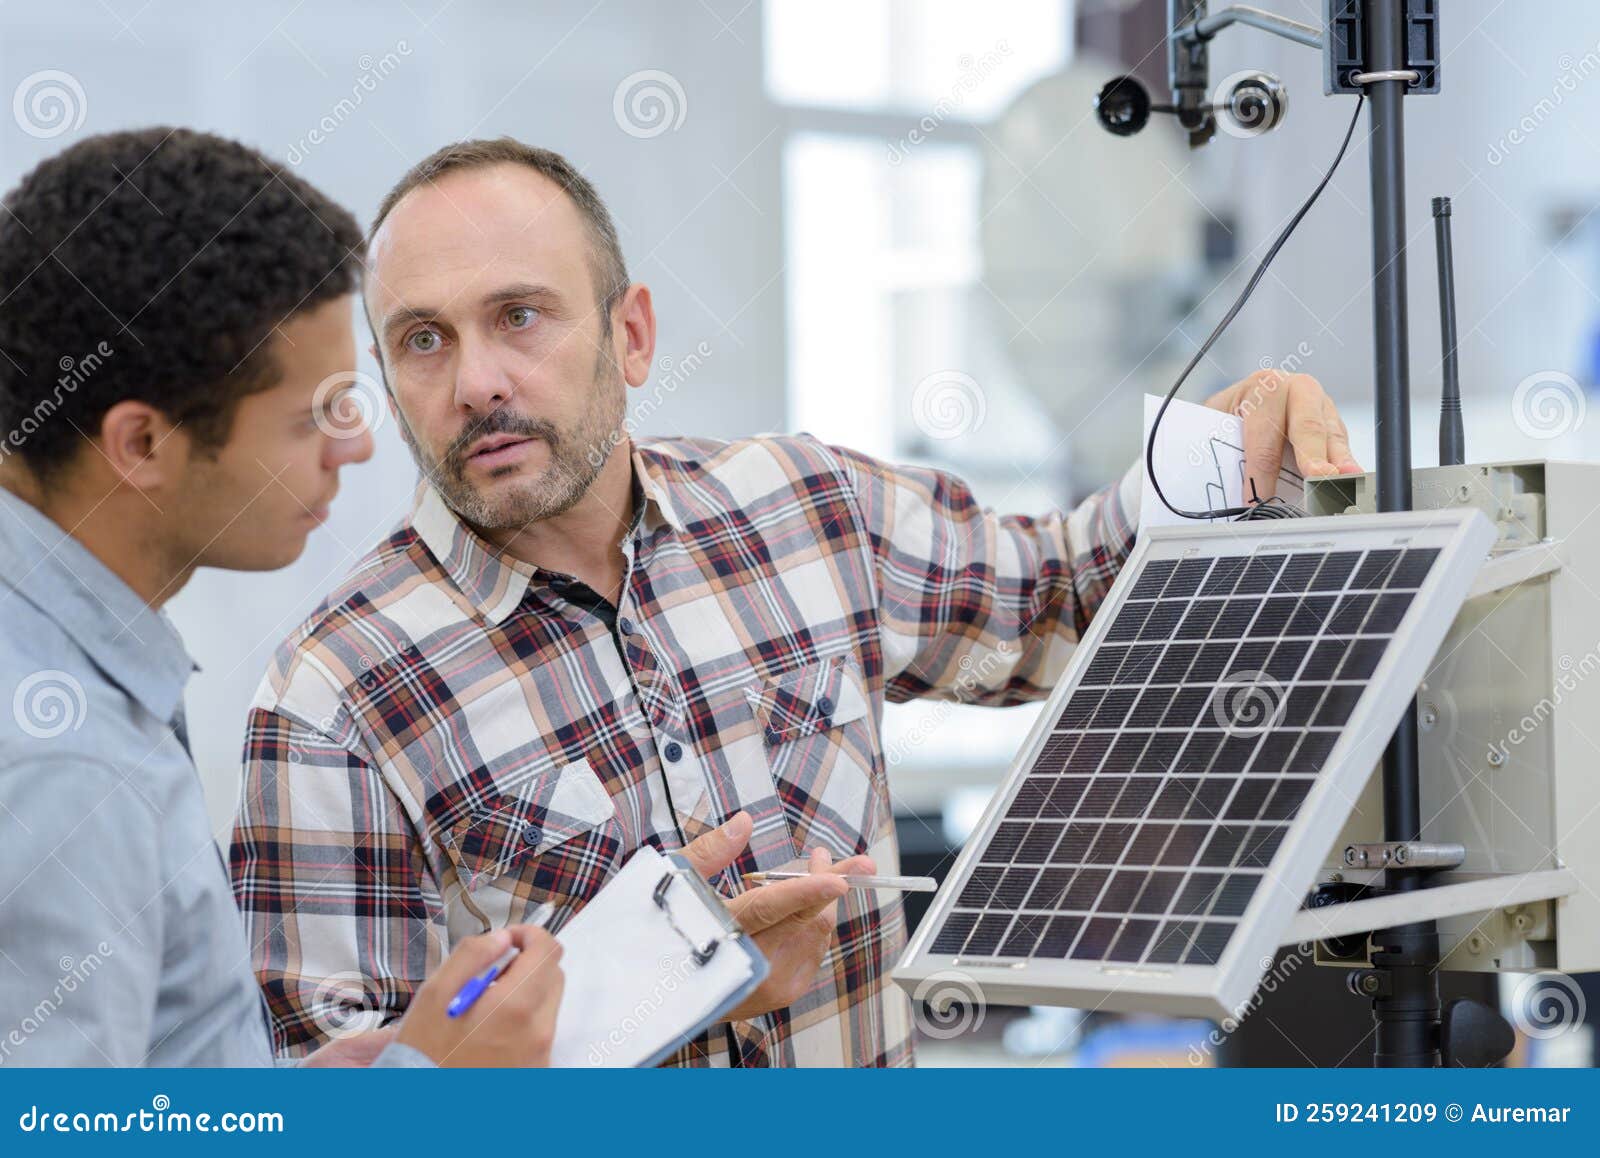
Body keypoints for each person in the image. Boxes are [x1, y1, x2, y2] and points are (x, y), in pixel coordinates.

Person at [231, 136, 1362, 1067]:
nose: (476, 381)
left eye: (519, 315)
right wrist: (656, 985)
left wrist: (1223, 447)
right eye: (423, 340)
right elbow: (340, 1101)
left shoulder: (806, 509)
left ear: (631, 336)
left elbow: (1062, 594)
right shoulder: (332, 700)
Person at [0, 128, 845, 1067]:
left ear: (631, 333)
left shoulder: (80, 686)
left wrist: (631, 986)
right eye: (311, 416)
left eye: (520, 316)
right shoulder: (61, 761)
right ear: (143, 446)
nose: (359, 444)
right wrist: (427, 1081)